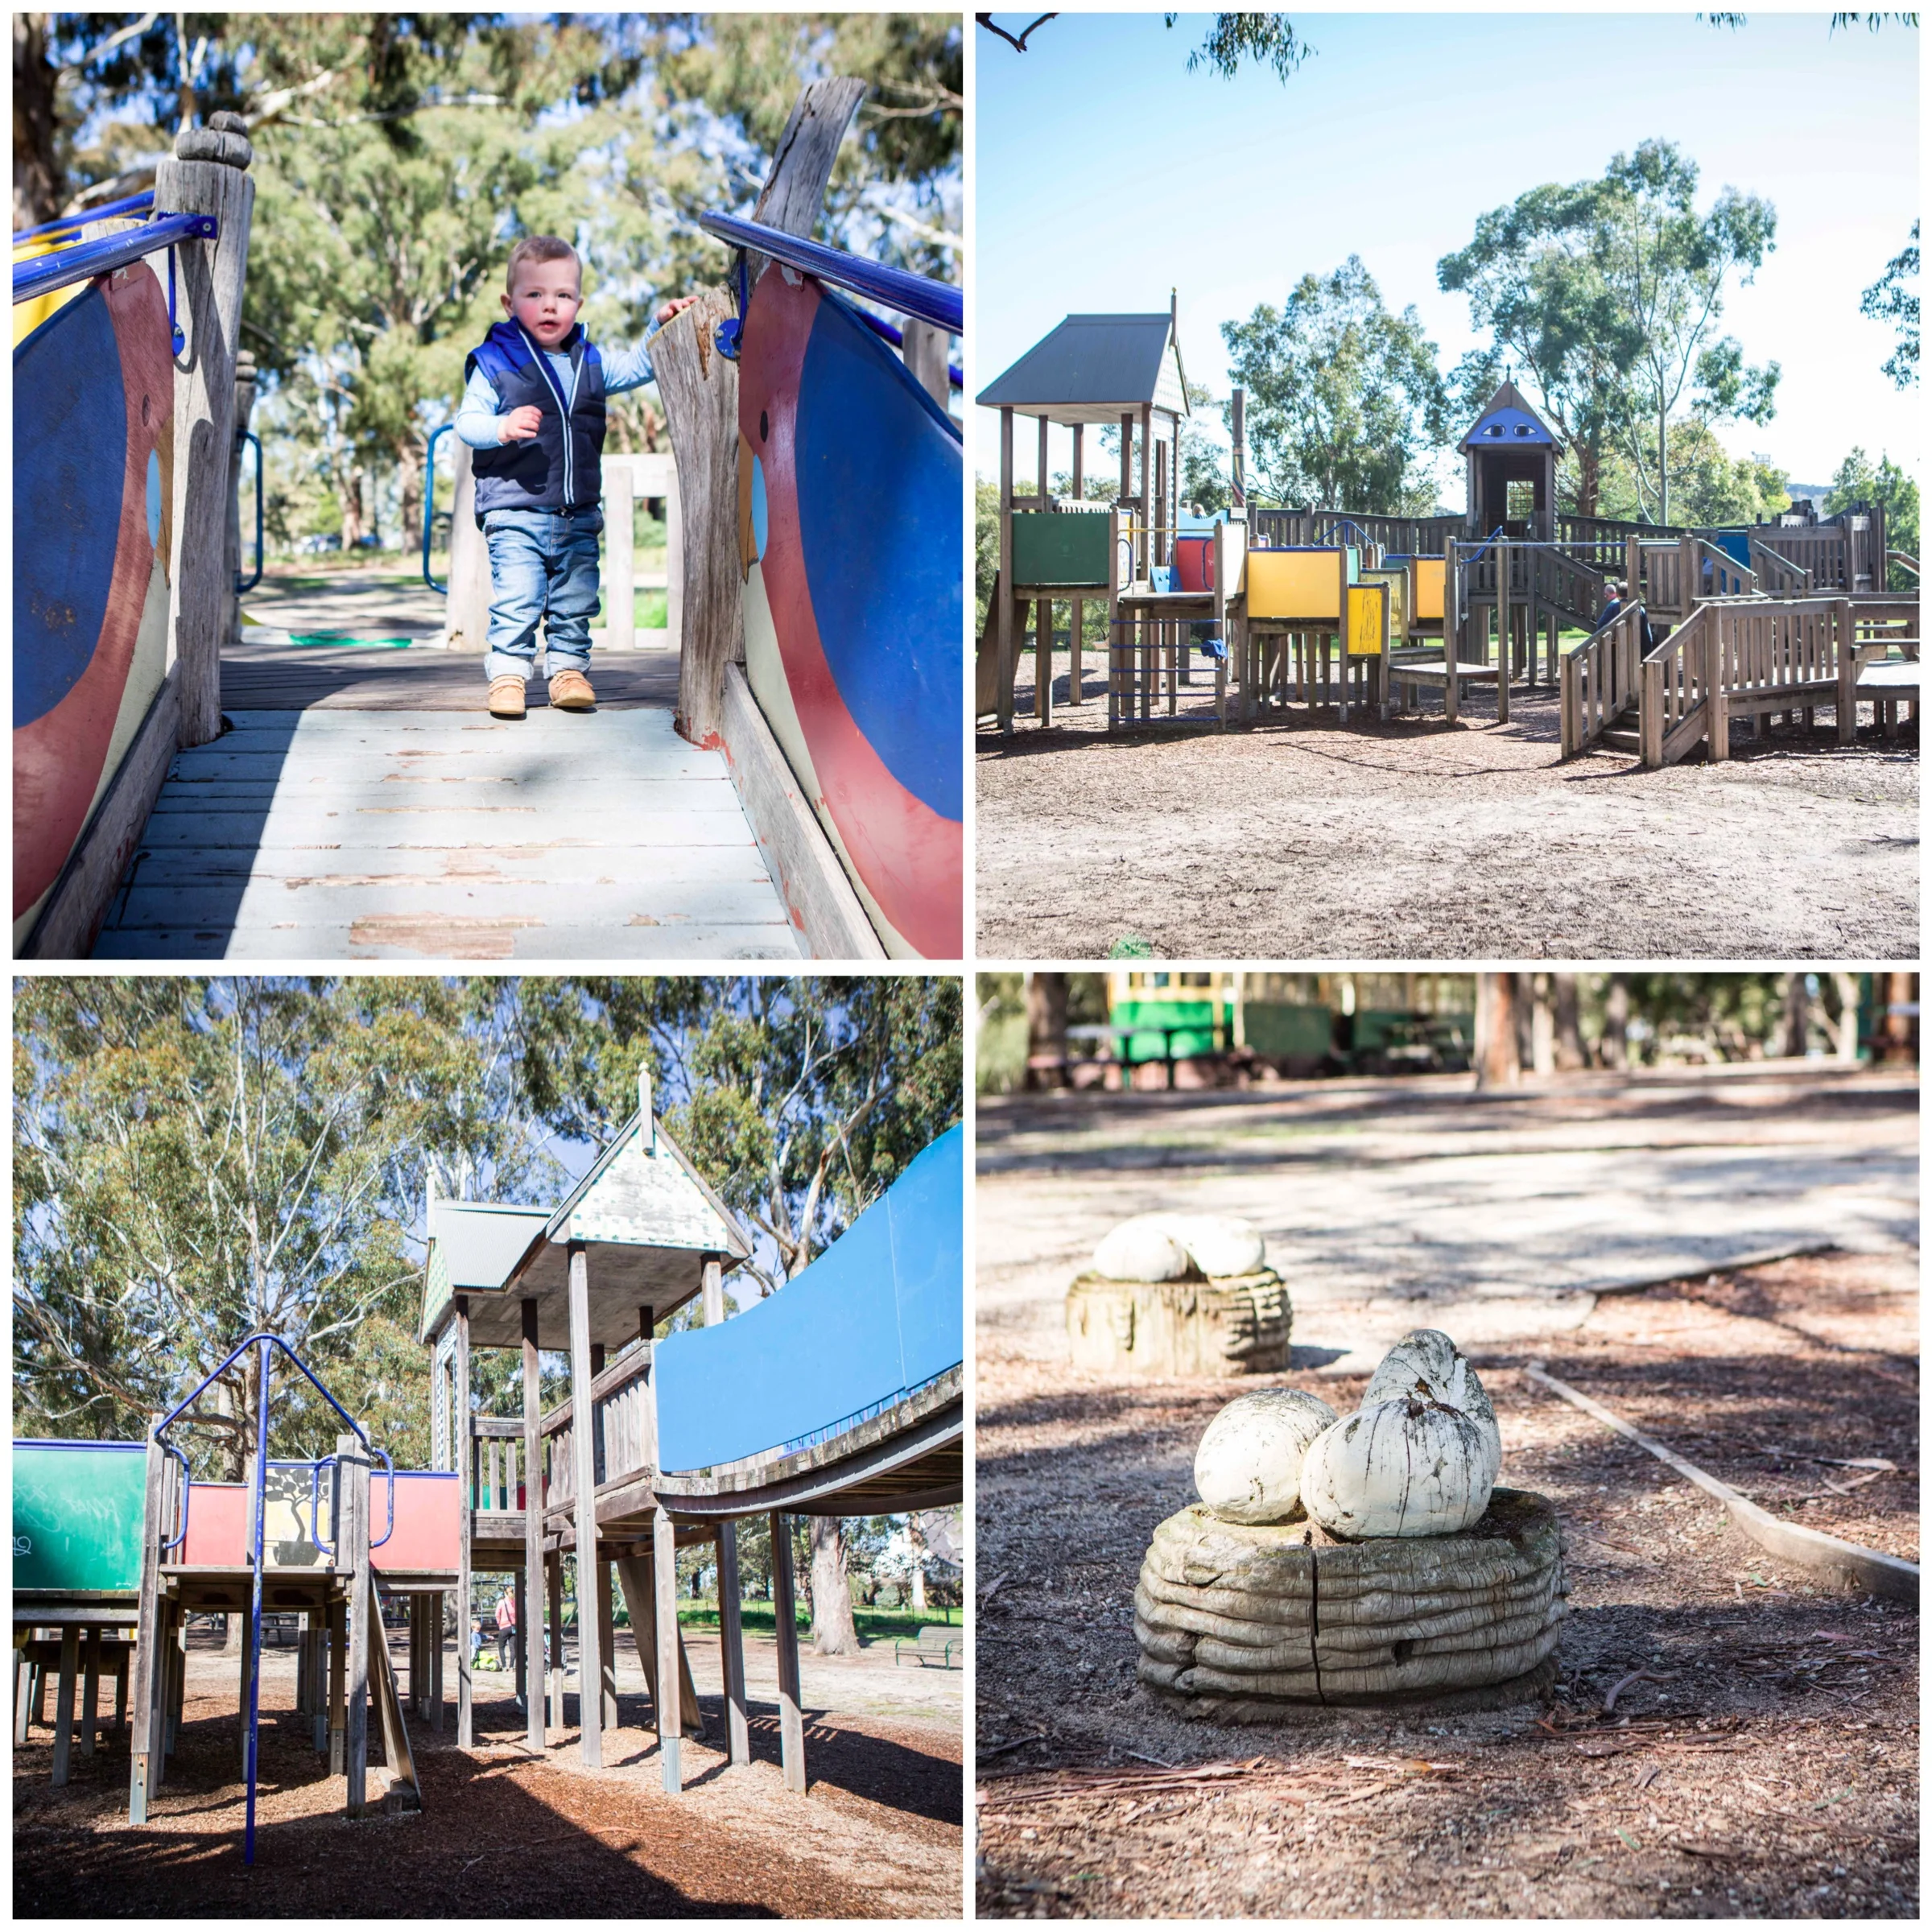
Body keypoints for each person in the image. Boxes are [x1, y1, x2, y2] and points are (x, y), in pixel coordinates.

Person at [456, 236, 697, 720]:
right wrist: (501, 427)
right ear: (509, 302)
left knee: (575, 600)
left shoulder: (589, 360)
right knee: (520, 596)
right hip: (515, 510)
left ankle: (568, 672)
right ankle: (508, 675)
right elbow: (467, 422)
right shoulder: (495, 361)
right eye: (535, 295)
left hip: (577, 513)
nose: (550, 305)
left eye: (563, 295)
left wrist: (660, 327)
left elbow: (638, 367)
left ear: (578, 303)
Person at [494, 1586, 517, 1670]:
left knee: (501, 1647)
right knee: (512, 1647)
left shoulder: (502, 1602)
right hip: (513, 1627)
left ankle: (504, 1666)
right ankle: (511, 1666)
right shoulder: (515, 1602)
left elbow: (497, 1614)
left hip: (504, 1627)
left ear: (505, 1593)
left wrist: (499, 1623)